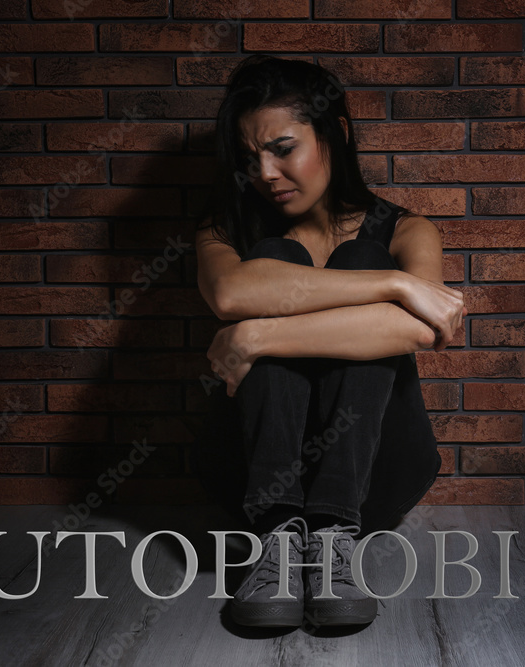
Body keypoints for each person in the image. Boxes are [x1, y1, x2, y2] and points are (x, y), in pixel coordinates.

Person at [192, 55, 466, 629]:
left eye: (283, 148)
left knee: (362, 251)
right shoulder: (228, 230)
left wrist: (260, 336)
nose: (264, 172)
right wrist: (393, 285)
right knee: (276, 259)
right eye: (250, 158)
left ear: (334, 134)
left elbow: (422, 327)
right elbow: (231, 297)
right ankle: (279, 540)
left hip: (374, 472)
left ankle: (336, 534)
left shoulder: (407, 232)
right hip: (252, 471)